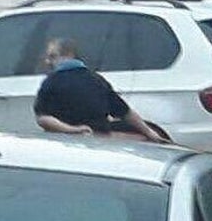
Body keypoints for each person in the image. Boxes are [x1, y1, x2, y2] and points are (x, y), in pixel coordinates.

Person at [34, 38, 168, 143]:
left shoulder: (51, 82)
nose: (48, 61)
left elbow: (43, 118)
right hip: (102, 141)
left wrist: (73, 130)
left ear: (69, 54)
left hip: (66, 143)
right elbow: (124, 112)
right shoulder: (96, 79)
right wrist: (149, 133)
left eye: (52, 56)